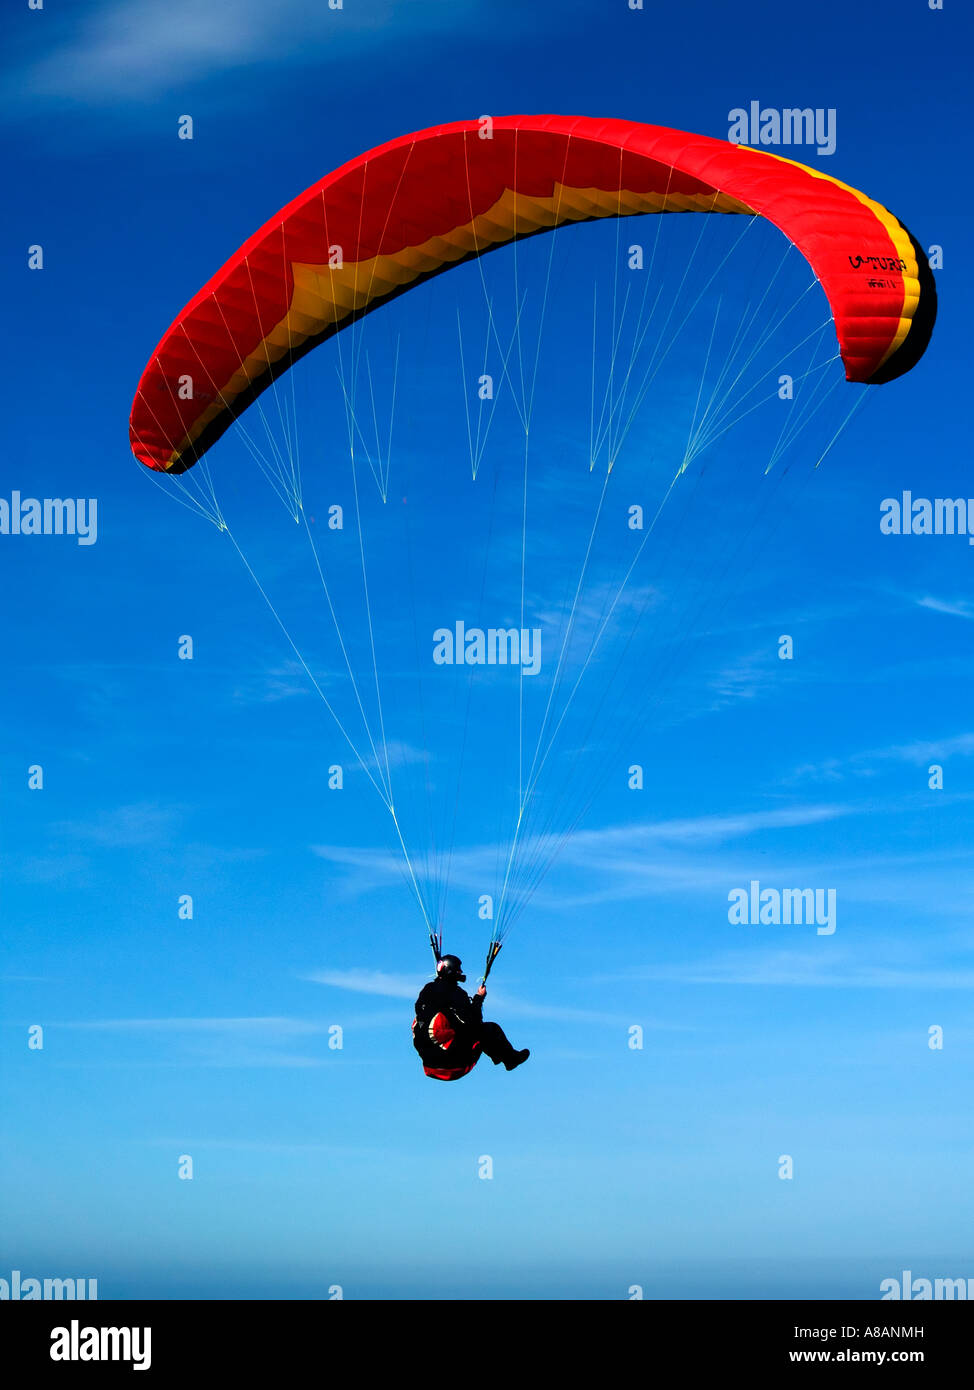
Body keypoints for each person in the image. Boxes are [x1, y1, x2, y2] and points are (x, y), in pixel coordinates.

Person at [412, 955, 529, 1081]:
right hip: (451, 1066)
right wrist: (479, 998)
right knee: (490, 1029)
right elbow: (474, 1022)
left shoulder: (427, 990)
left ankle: (507, 1059)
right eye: (458, 969)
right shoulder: (456, 993)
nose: (461, 972)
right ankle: (510, 1060)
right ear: (450, 971)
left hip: (430, 1064)